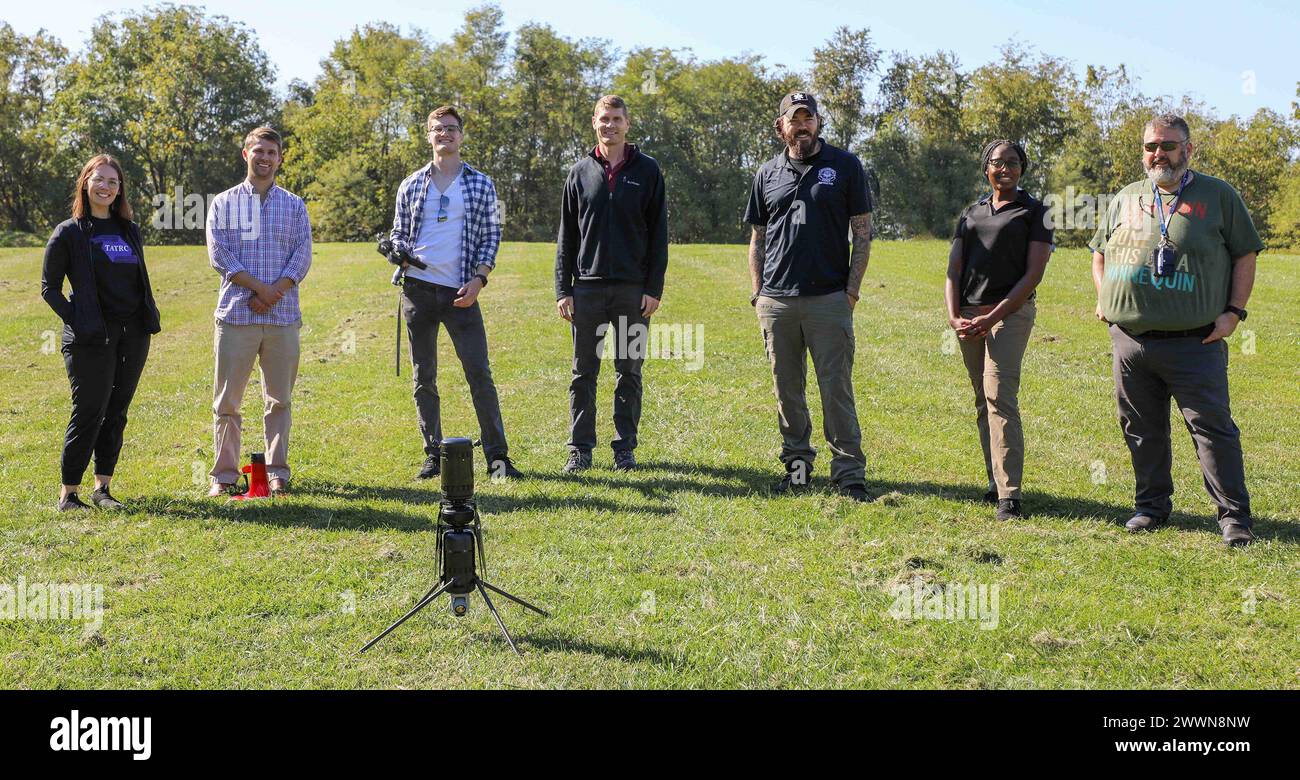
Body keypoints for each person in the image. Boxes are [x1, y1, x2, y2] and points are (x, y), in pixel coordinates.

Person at [1089, 114, 1263, 547]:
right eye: (1151, 146)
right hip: (1130, 341)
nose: (1158, 153)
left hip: (1194, 341)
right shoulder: (1126, 198)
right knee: (1140, 428)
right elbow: (1099, 253)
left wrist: (1233, 313)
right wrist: (1105, 298)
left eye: (1168, 145)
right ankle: (1151, 507)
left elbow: (1245, 254)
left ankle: (1233, 518)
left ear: (1188, 149)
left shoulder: (1219, 196)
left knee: (1211, 429)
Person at [744, 91, 873, 501]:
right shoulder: (767, 174)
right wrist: (757, 293)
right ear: (780, 126)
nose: (803, 125)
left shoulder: (845, 166)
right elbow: (757, 239)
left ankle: (849, 475)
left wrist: (851, 291)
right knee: (788, 393)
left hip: (829, 300)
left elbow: (863, 232)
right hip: (778, 302)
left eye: (809, 118)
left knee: (836, 389)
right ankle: (797, 469)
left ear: (819, 123)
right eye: (794, 119)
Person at [388, 105, 521, 480]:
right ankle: (433, 454)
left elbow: (491, 236)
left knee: (479, 373)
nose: (444, 134)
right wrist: (397, 251)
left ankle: (498, 458)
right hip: (416, 290)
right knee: (423, 376)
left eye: (451, 128)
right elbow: (398, 231)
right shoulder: (412, 184)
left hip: (462, 292)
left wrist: (479, 280)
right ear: (428, 136)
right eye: (437, 129)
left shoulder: (480, 183)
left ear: (461, 136)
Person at [41, 154, 161, 511]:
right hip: (91, 337)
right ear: (85, 183)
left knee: (117, 409)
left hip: (134, 333)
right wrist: (78, 320)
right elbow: (49, 288)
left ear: (119, 189)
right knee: (90, 409)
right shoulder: (69, 232)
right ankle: (69, 493)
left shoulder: (129, 230)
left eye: (113, 181)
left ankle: (103, 488)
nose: (106, 187)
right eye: (99, 179)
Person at [555, 94, 668, 473]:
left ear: (627, 124)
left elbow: (659, 236)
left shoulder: (648, 171)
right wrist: (563, 289)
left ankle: (624, 449)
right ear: (594, 123)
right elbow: (566, 238)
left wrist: (653, 288)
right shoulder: (579, 173)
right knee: (583, 373)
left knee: (629, 372)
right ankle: (580, 449)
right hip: (586, 290)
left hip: (632, 292)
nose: (611, 125)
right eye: (604, 119)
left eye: (617, 119)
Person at [945, 140, 1053, 520]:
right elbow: (954, 269)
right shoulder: (971, 213)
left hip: (1011, 314)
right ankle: (994, 482)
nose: (1004, 168)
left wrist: (991, 318)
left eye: (1012, 162)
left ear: (1022, 168)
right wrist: (954, 315)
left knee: (998, 395)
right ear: (986, 168)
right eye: (996, 162)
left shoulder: (1037, 212)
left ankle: (1010, 496)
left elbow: (1032, 275)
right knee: (982, 398)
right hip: (971, 317)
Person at [205, 126, 312, 497]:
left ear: (280, 158)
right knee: (227, 402)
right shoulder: (224, 203)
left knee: (279, 399)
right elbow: (220, 256)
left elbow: (302, 255)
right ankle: (225, 475)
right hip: (237, 316)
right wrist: (258, 289)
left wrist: (274, 293)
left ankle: (277, 470)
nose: (264, 158)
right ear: (245, 154)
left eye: (271, 152)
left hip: (282, 318)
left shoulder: (294, 205)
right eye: (258, 151)